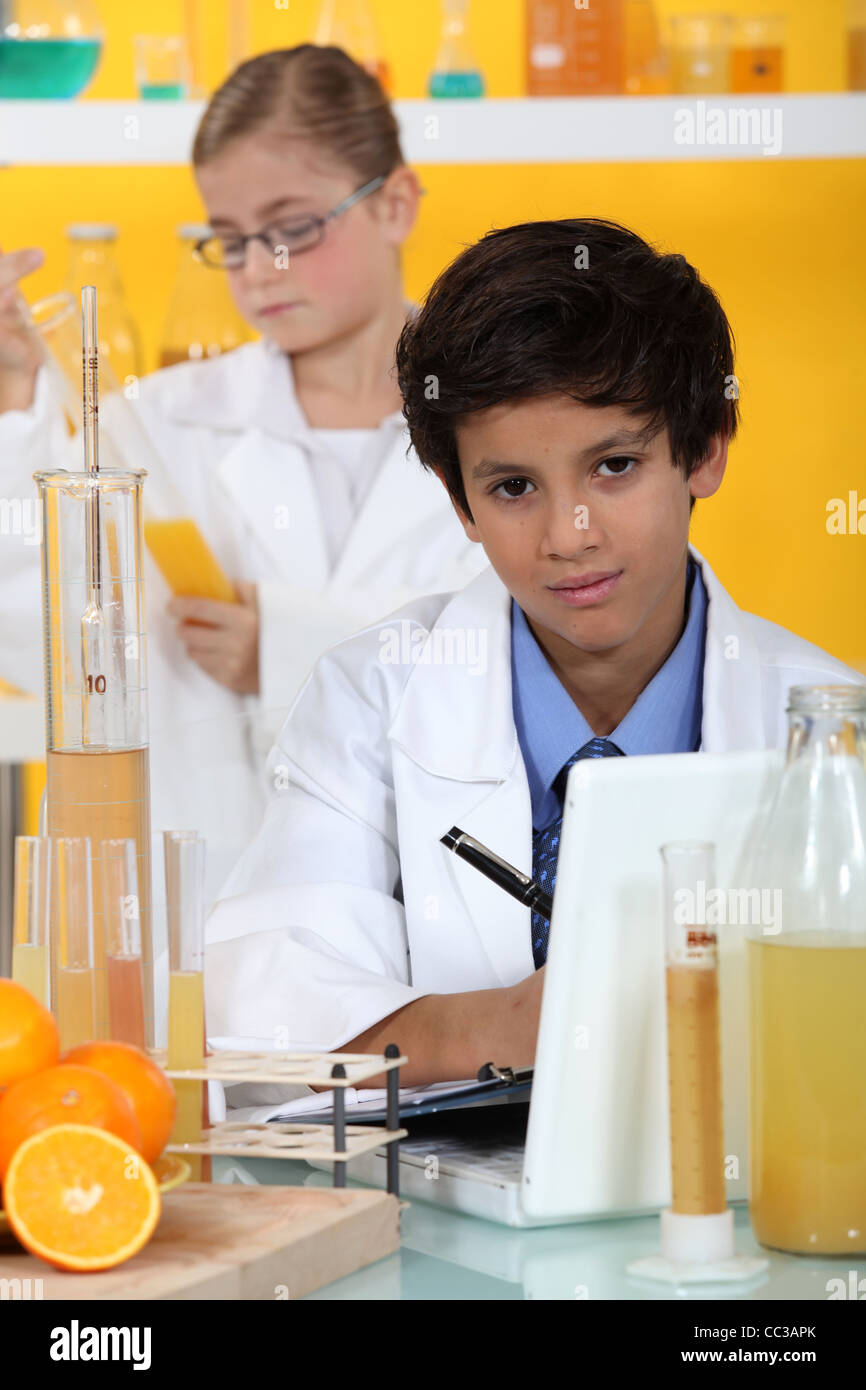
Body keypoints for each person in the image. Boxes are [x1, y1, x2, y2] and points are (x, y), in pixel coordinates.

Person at [203, 216, 865, 1107]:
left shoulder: (833, 730)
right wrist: (521, 1022)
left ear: (706, 446)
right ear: (459, 501)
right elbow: (261, 1041)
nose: (569, 537)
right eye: (513, 487)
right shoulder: (372, 696)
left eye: (616, 466)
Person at [0, 45, 488, 898]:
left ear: (396, 203)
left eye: (293, 227)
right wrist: (12, 401)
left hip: (434, 921)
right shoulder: (152, 426)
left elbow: (526, 661)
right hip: (201, 930)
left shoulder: (500, 420)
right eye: (228, 242)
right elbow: (29, 630)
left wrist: (288, 647)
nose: (260, 269)